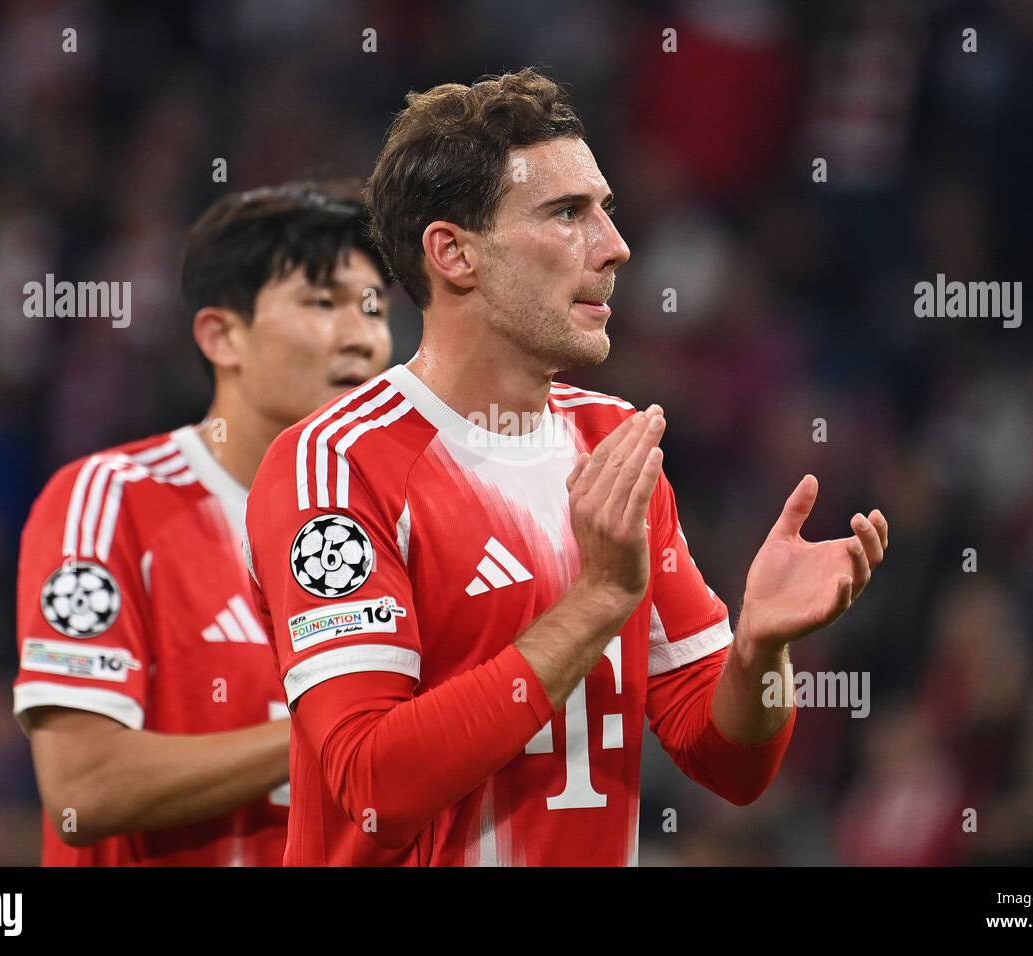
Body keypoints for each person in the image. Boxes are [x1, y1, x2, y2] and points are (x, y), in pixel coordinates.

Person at [245, 69, 889, 866]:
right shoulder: (337, 465)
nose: (615, 246)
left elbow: (728, 761)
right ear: (454, 254)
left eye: (606, 212)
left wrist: (760, 651)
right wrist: (595, 605)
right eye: (567, 214)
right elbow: (375, 783)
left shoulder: (610, 441)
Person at [13, 183, 392, 864]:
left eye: (375, 309)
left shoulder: (395, 528)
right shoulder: (110, 501)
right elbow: (82, 789)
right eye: (322, 303)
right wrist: (351, 736)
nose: (363, 337)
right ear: (222, 335)